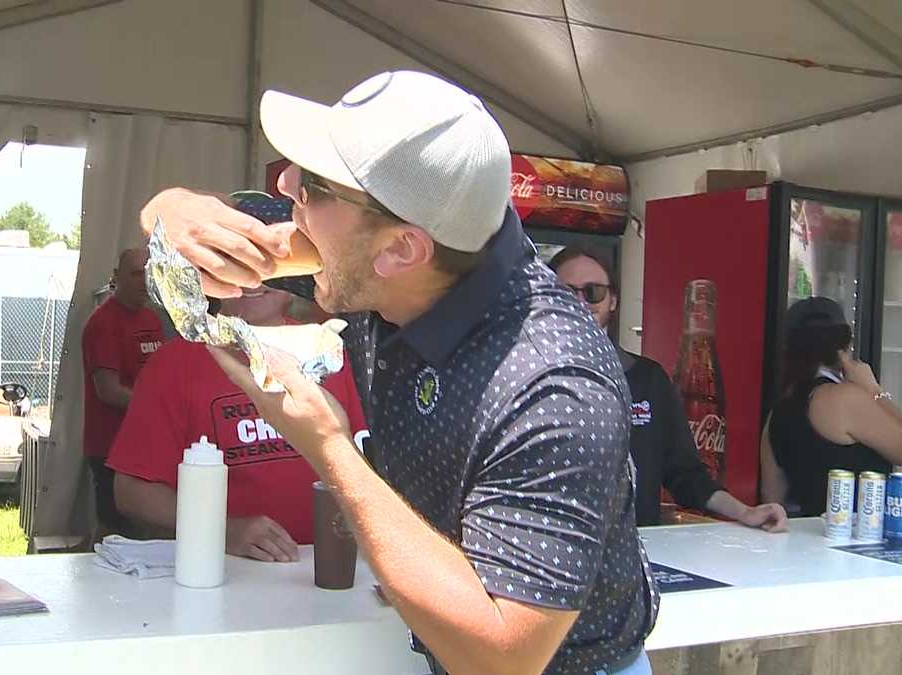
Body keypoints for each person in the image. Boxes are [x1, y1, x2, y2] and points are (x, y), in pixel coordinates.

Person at [138, 71, 657, 675]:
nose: (286, 186)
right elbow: (196, 225)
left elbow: (505, 658)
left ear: (402, 249)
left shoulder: (554, 387)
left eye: (314, 186)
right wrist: (173, 212)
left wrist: (328, 447)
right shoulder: (401, 261)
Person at [107, 283, 369, 562]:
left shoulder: (327, 350)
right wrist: (222, 529)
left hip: (331, 567)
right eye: (239, 267)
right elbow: (131, 492)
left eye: (271, 269)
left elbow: (363, 465)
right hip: (225, 571)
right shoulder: (172, 364)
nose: (254, 282)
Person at [550, 247, 788, 530]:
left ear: (613, 300)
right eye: (567, 292)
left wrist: (746, 512)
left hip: (633, 546)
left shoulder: (647, 379)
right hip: (551, 543)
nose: (580, 301)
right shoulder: (526, 379)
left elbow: (686, 475)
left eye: (593, 292)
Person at [761, 297, 902, 516]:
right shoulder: (846, 399)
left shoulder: (777, 414)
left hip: (808, 534)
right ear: (843, 348)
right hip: (861, 533)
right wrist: (875, 390)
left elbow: (771, 500)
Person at [81, 247, 165, 536]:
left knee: (144, 524)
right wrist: (157, 408)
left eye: (148, 274)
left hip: (144, 442)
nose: (143, 281)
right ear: (117, 276)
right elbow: (108, 390)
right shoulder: (103, 323)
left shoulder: (152, 319)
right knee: (112, 527)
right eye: (135, 274)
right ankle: (96, 564)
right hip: (110, 444)